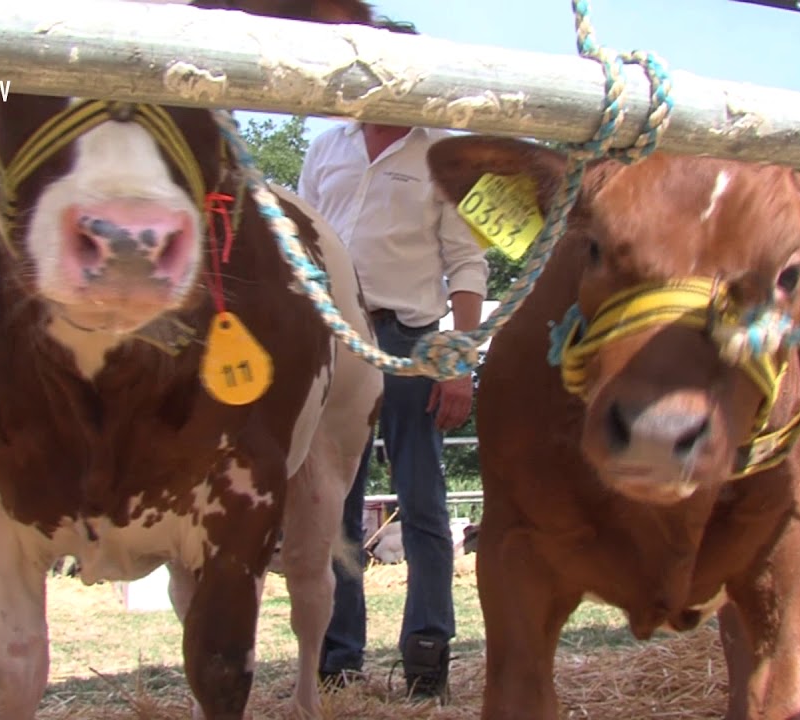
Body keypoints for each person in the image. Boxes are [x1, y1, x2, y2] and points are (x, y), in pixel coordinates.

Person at [295, 18, 487, 703]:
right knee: (332, 506)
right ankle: (339, 662)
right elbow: (302, 246)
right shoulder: (325, 148)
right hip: (333, 343)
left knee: (425, 502)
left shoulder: (446, 157)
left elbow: (467, 264)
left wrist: (458, 362)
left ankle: (427, 656)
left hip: (411, 344)